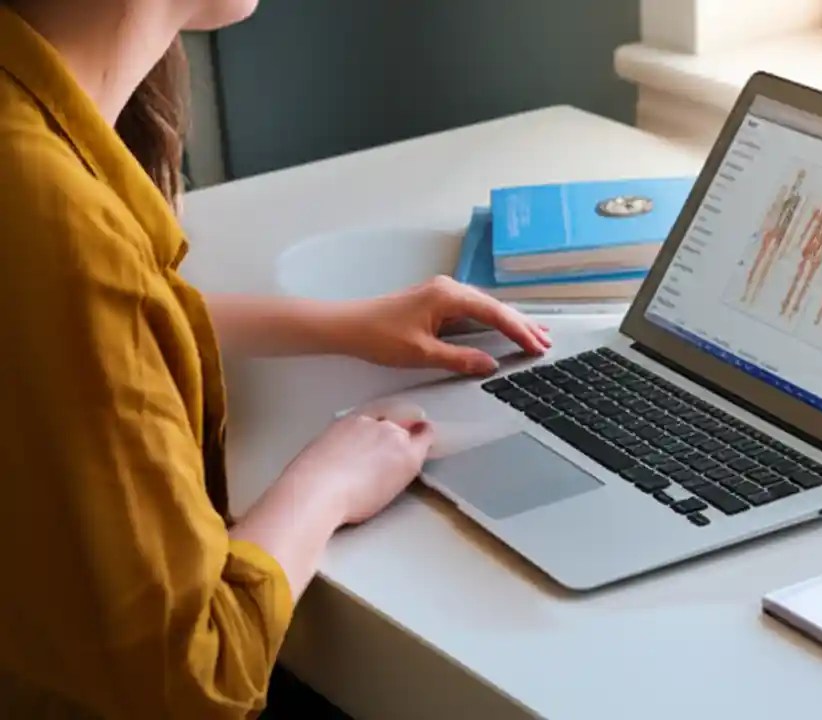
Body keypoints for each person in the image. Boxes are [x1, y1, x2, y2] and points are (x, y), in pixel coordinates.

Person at [0, 1, 552, 717]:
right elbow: (190, 681)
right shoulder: (58, 223)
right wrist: (327, 485)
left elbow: (72, 324)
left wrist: (342, 325)